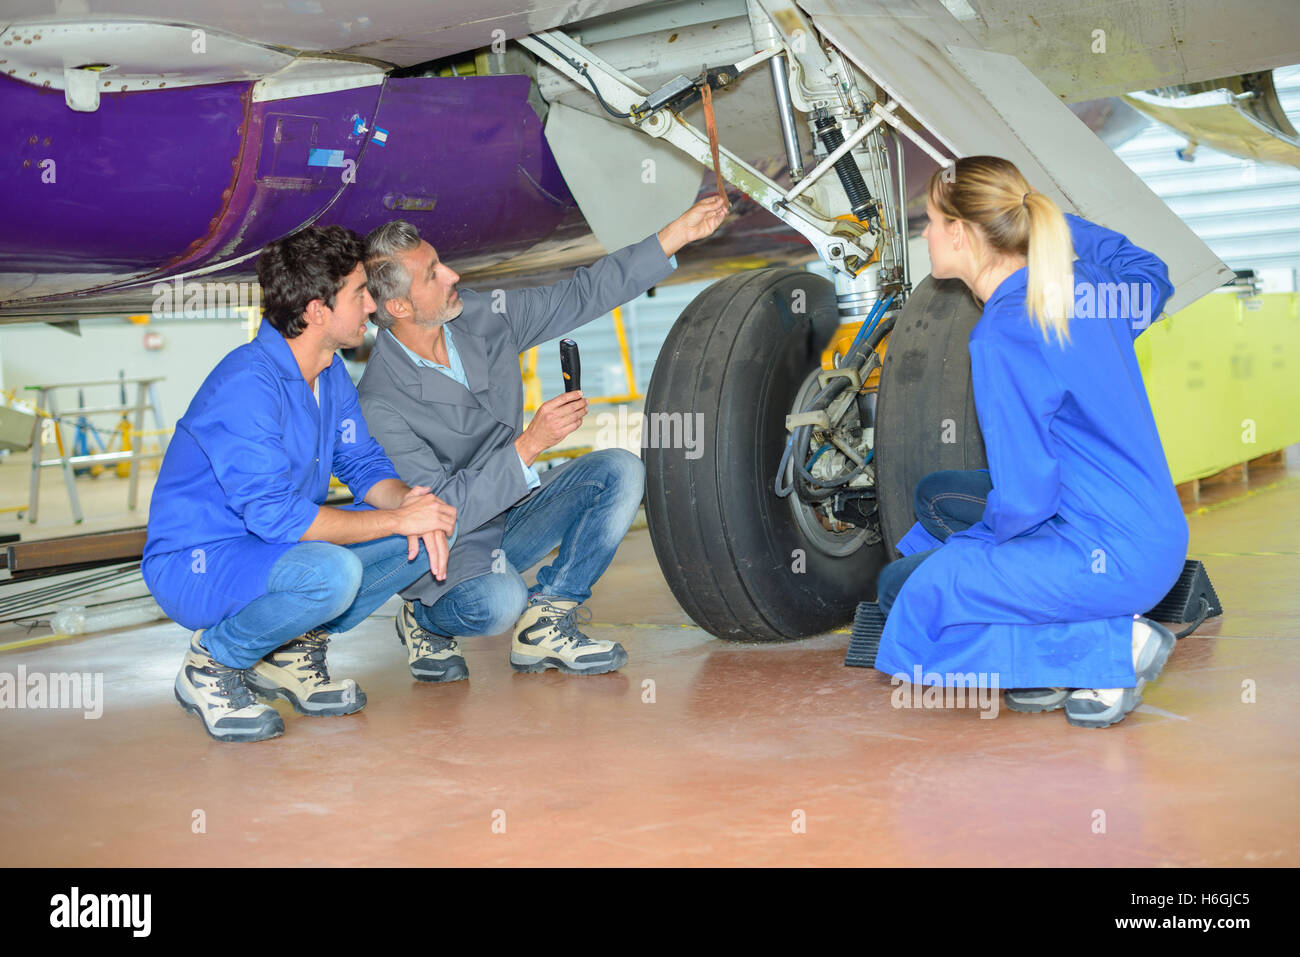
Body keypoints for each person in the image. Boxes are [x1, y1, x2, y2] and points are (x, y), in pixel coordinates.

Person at [871, 155, 1188, 729]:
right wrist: (1047, 223)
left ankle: (1105, 652)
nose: (925, 233)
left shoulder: (1002, 335)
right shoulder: (1083, 289)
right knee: (937, 497)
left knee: (906, 592)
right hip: (1149, 530)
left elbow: (1027, 495)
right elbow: (1151, 271)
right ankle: (1042, 655)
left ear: (964, 235)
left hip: (1105, 554)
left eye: (933, 221)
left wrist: (977, 549)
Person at [357, 196, 728, 680]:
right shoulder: (379, 402)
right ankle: (424, 619)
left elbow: (578, 295)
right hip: (455, 542)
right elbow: (440, 513)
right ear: (399, 306)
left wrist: (674, 236)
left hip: (516, 512)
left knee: (620, 470)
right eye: (433, 274)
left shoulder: (482, 317)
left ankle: (547, 621)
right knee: (497, 602)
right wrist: (529, 445)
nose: (453, 277)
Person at [143, 226, 458, 743]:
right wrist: (397, 518)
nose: (372, 306)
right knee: (330, 573)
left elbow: (361, 464)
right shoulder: (248, 384)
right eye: (359, 293)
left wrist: (411, 504)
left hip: (266, 548)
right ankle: (214, 663)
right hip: (197, 560)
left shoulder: (329, 371)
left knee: (422, 538)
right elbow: (279, 519)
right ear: (317, 311)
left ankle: (287, 649)